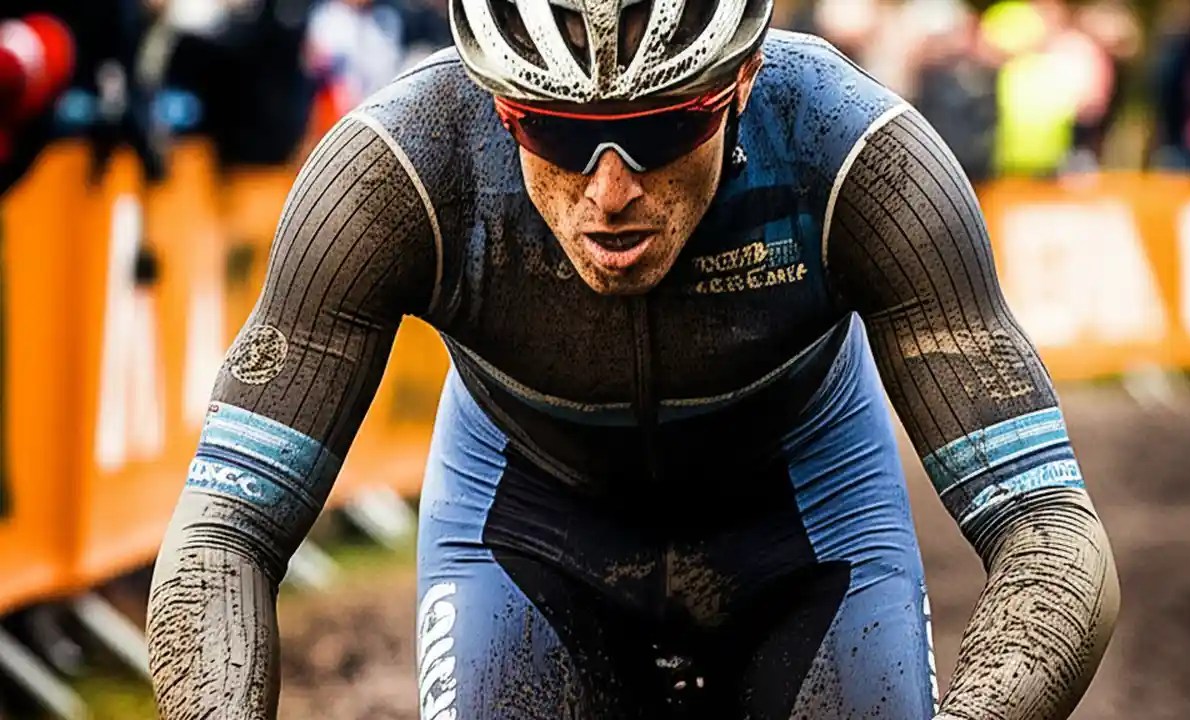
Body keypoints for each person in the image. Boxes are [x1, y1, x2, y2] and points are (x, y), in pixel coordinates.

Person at [145, 0, 1121, 717]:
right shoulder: (390, 174)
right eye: (558, 135)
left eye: (657, 131)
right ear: (496, 103)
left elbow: (1052, 538)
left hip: (803, 527)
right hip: (529, 529)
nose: (607, 193)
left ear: (741, 80)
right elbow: (220, 538)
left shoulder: (861, 157)